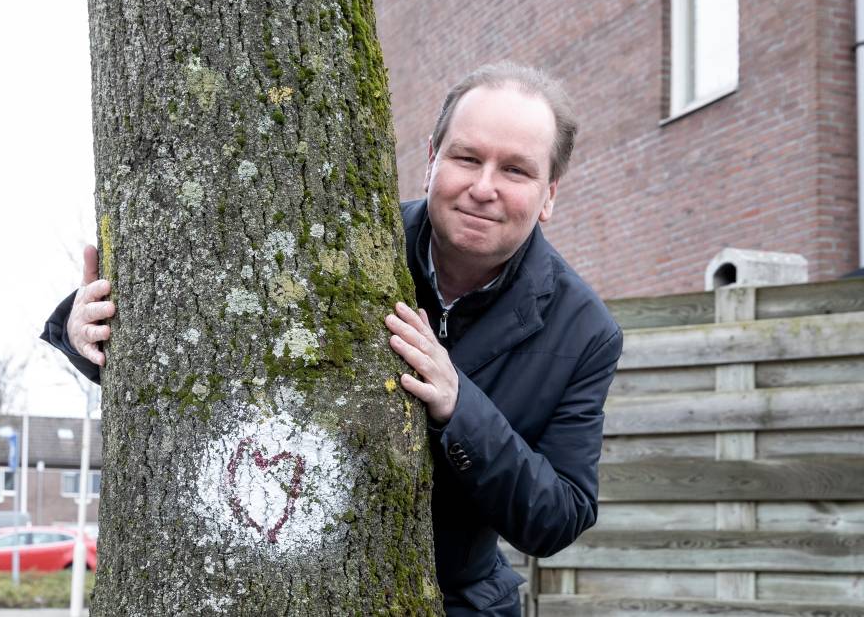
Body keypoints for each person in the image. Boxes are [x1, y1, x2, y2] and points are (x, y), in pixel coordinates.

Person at [41, 62, 622, 617]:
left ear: (549, 195)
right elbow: (215, 335)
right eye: (466, 158)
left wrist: (460, 406)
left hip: (457, 601)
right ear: (430, 160)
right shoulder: (339, 243)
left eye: (516, 170)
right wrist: (84, 329)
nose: (484, 187)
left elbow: (558, 518)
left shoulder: (586, 330)